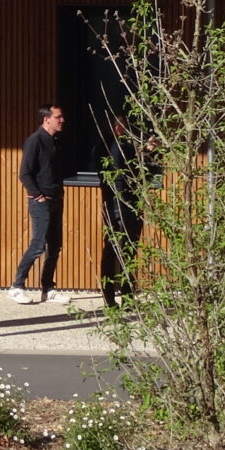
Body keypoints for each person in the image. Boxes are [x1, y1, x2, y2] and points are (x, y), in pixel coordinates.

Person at [10, 104, 68, 305]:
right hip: (41, 202)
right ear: (47, 119)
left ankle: (48, 288)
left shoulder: (56, 142)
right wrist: (38, 195)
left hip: (56, 199)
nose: (62, 120)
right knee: (38, 245)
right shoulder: (35, 141)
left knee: (55, 246)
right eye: (58, 117)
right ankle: (17, 286)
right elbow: (24, 173)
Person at [96, 114, 143, 310]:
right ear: (118, 129)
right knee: (121, 252)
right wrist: (124, 208)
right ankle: (120, 298)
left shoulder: (110, 147)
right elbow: (119, 181)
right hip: (121, 207)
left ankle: (119, 297)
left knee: (120, 252)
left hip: (118, 206)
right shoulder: (116, 148)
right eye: (126, 128)